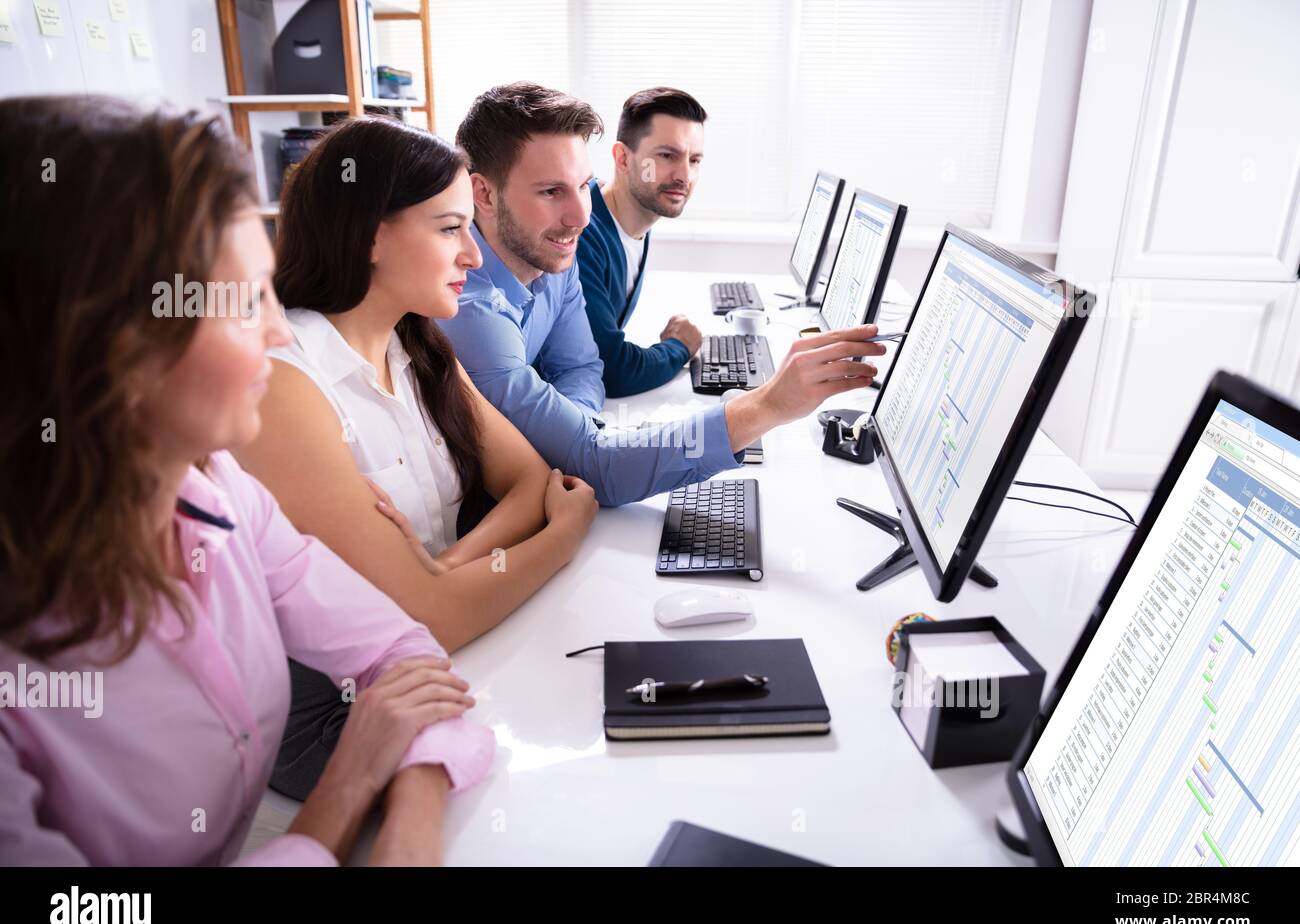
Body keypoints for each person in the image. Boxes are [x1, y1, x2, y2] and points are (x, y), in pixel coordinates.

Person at [0, 96, 492, 866]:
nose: (274, 329)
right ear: (108, 347)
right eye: (243, 303)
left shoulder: (217, 490)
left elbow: (406, 657)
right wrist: (346, 789)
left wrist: (407, 831)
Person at [233, 116, 597, 800]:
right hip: (330, 714)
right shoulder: (287, 384)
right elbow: (432, 615)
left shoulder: (415, 344)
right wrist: (566, 533)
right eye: (449, 228)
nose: (475, 255)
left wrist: (448, 569)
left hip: (428, 653)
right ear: (372, 235)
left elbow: (527, 480)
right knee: (544, 785)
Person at [441, 82, 887, 507]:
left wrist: (574, 431)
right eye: (551, 191)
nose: (580, 216)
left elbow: (581, 366)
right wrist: (766, 406)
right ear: (483, 193)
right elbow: (601, 467)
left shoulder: (551, 255)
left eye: (582, 186)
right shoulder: (468, 309)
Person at [574, 87, 706, 396]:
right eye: (666, 155)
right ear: (622, 158)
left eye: (695, 160)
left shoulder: (640, 216)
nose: (684, 175)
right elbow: (611, 368)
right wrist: (678, 347)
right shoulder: (581, 235)